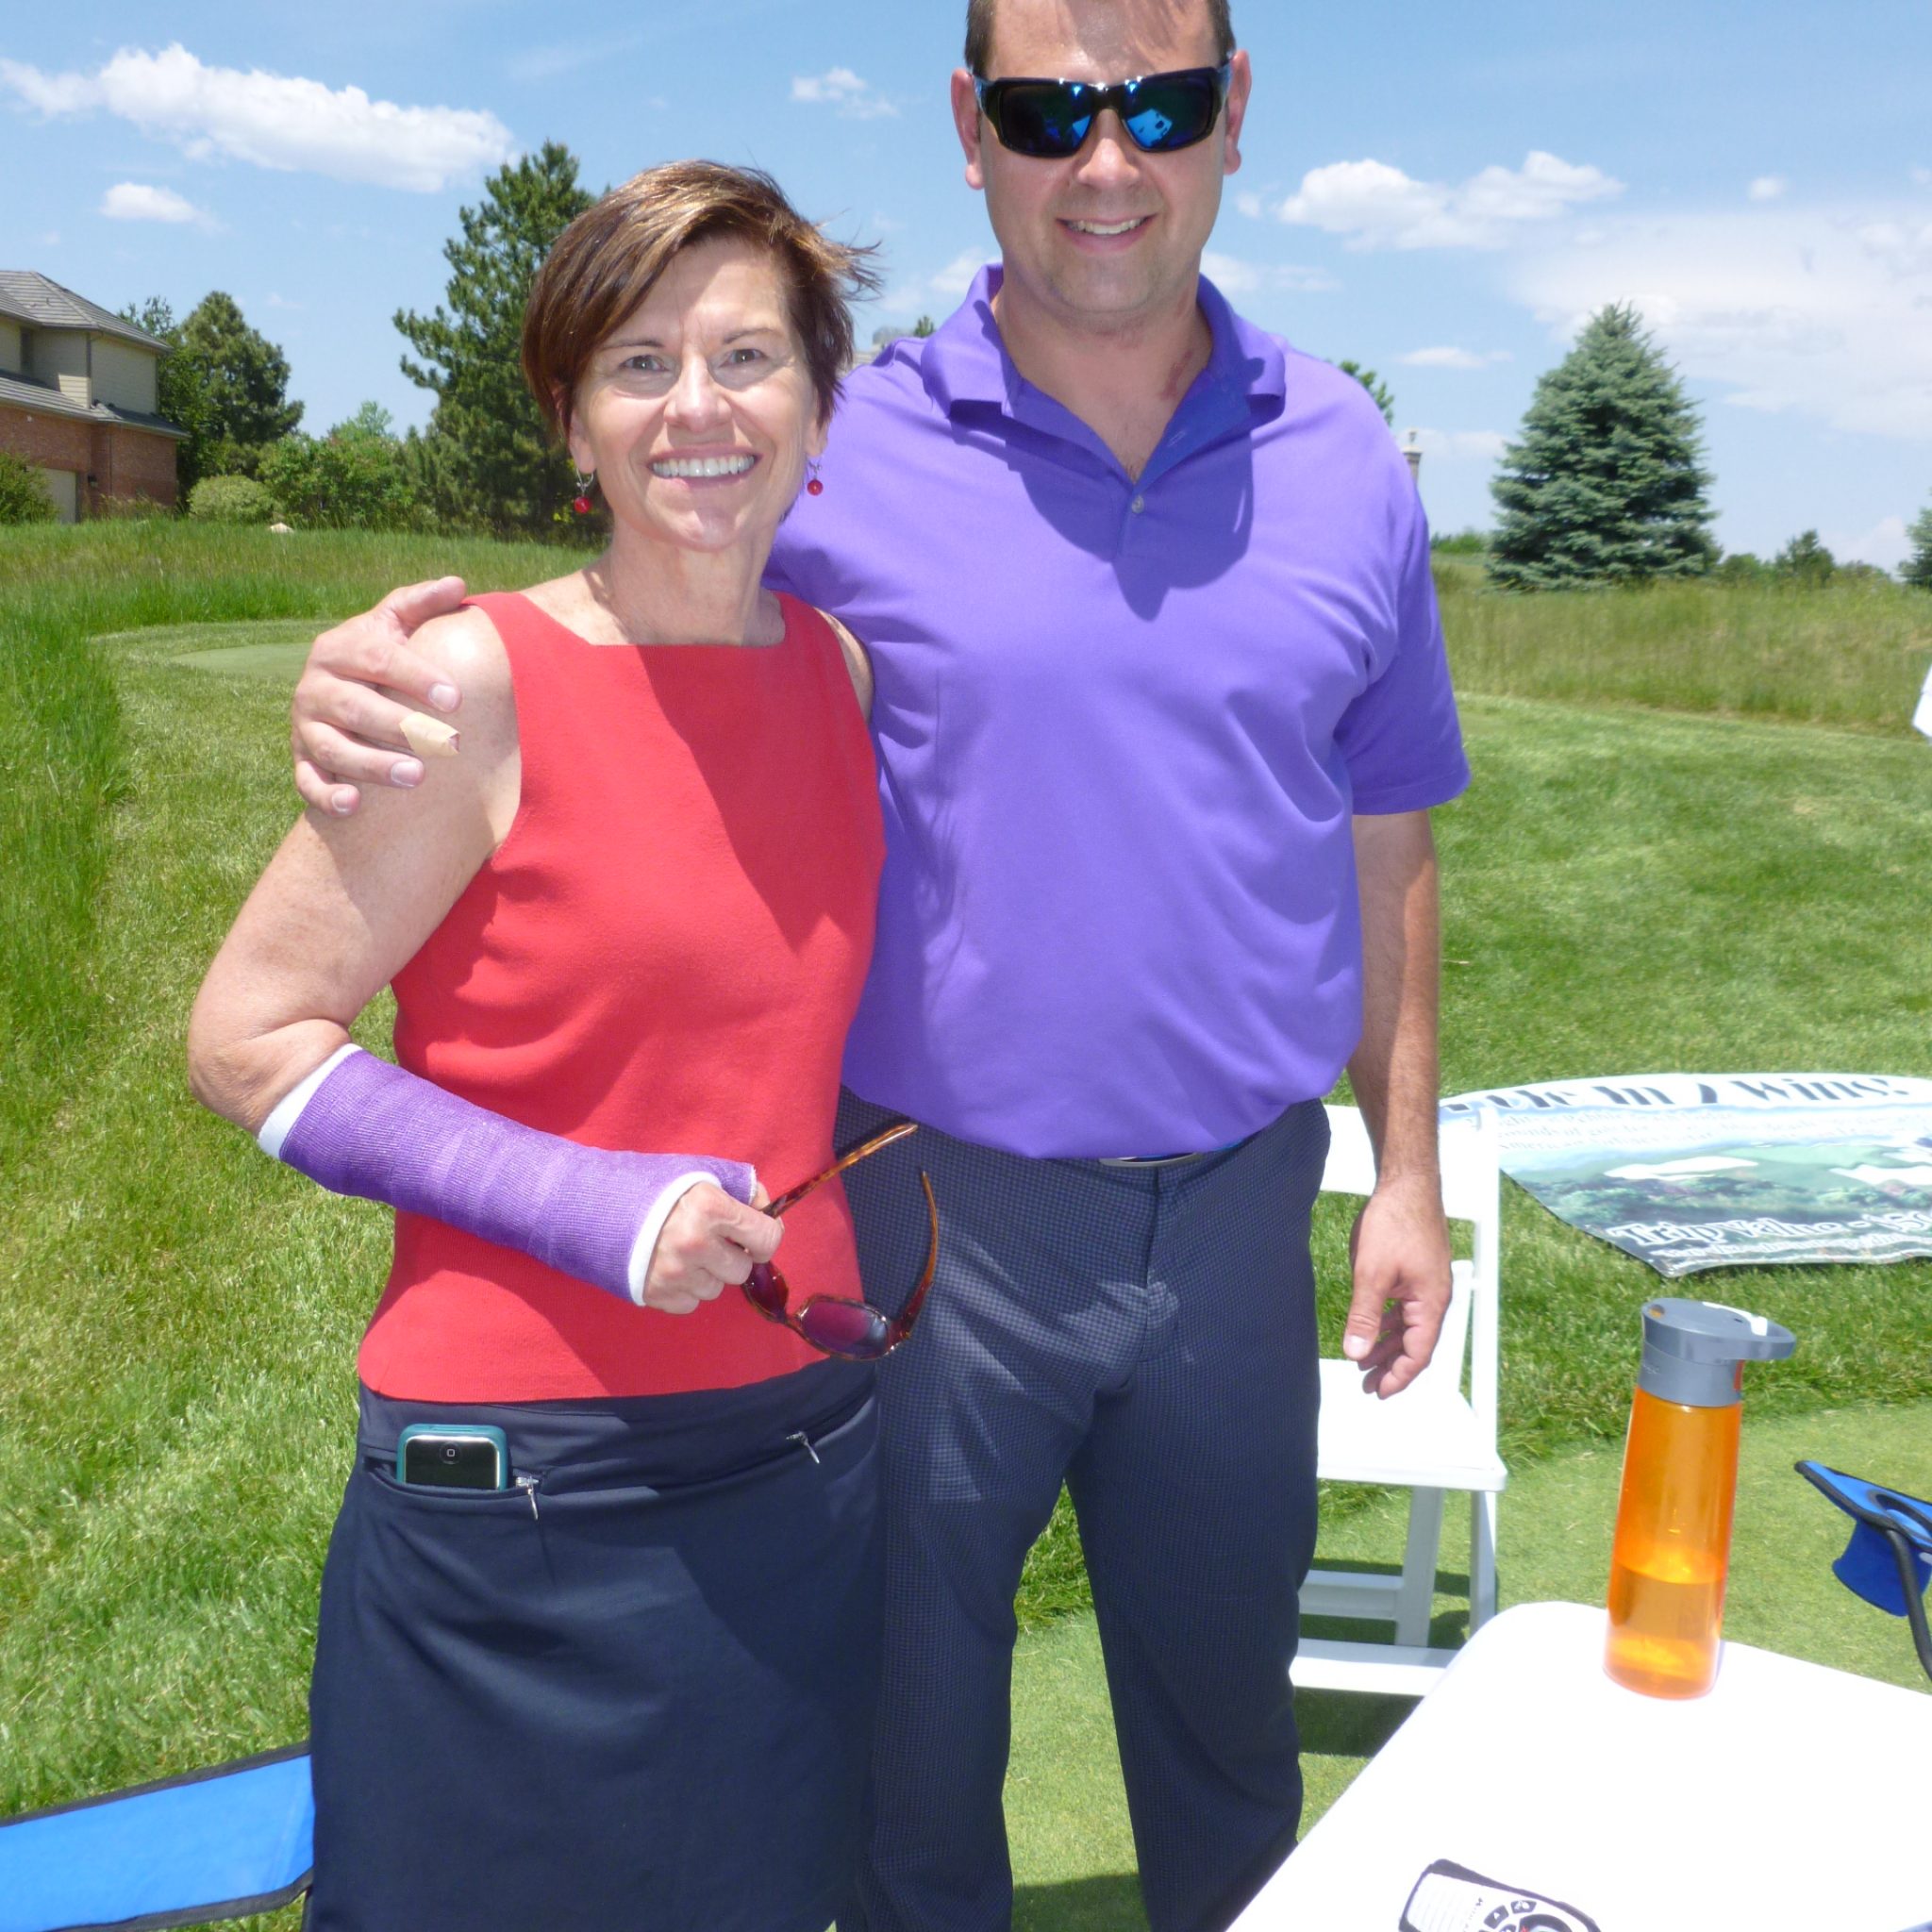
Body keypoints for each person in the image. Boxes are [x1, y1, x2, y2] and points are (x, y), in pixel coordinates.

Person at [285, 2, 1472, 1927]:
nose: (1107, 159)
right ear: (972, 130)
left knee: (1229, 1742)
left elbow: (1388, 832)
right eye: (1049, 109)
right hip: (934, 1216)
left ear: (1234, 114)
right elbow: (637, 589)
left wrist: (1401, 1169)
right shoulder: (838, 442)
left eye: (1161, 104)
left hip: (1242, 1213)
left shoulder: (1345, 451)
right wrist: (375, 683)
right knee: (909, 1768)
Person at [189, 161, 917, 1932]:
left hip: (807, 1454)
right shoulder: (471, 682)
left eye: (748, 355)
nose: (698, 407)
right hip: (520, 1502)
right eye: (639, 364)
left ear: (819, 408)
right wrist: (595, 1207)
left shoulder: (839, 673)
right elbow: (248, 1040)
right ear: (574, 426)